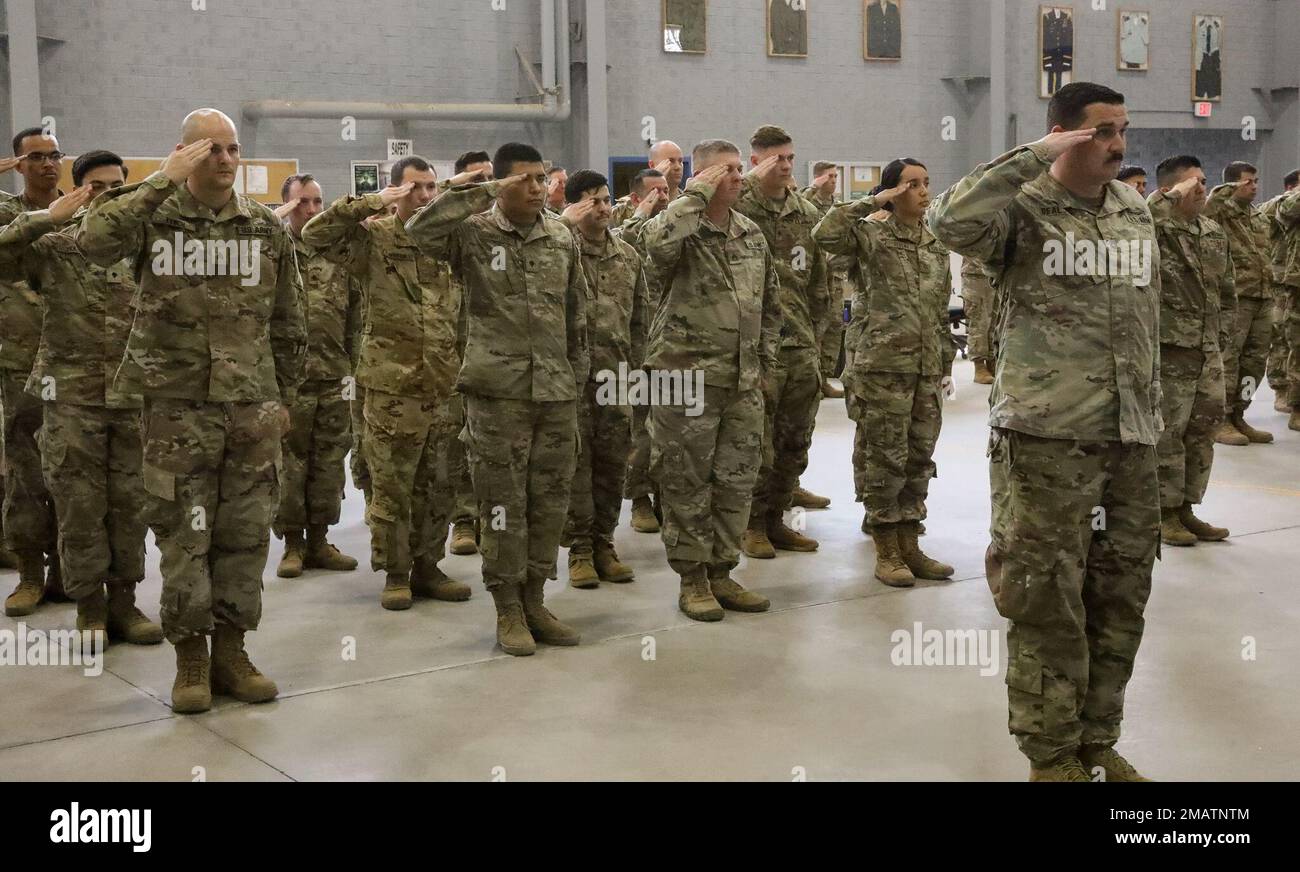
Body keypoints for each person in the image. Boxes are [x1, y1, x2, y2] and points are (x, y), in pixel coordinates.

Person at [929, 82, 1158, 782]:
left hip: (1131, 435)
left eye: (1122, 129)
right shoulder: (1019, 211)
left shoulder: (1130, 207)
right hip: (1046, 437)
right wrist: (1030, 157)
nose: (1117, 144)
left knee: (1120, 595)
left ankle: (1097, 737)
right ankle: (1051, 754)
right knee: (1046, 597)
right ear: (1062, 135)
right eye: (1100, 132)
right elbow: (948, 221)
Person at [77, 109, 306, 714]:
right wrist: (157, 180)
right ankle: (192, 660)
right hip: (175, 409)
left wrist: (283, 396)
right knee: (185, 534)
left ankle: (232, 650)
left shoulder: (264, 228)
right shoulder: (153, 219)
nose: (226, 161)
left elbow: (289, 319)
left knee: (246, 533)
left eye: (233, 149)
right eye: (211, 150)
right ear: (183, 154)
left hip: (251, 406)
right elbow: (91, 242)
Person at [404, 142, 588, 657]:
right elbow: (419, 230)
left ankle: (535, 599)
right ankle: (507, 605)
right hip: (497, 394)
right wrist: (482, 189)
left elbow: (577, 316)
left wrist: (579, 380)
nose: (536, 188)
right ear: (503, 185)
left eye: (541, 178)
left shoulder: (561, 236)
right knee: (503, 504)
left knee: (549, 502)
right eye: (523, 180)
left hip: (556, 392)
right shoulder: (474, 235)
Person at [0, 151, 161, 645]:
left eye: (117, 187)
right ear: (77, 192)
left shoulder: (146, 247)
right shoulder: (54, 246)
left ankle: (126, 604)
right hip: (71, 397)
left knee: (131, 505)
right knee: (80, 507)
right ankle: (89, 608)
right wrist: (46, 217)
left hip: (134, 397)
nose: (107, 196)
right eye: (95, 187)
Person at [302, 156, 473, 609]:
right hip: (392, 387)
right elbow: (315, 234)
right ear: (395, 191)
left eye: (430, 187)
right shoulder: (374, 240)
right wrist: (370, 203)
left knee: (439, 484)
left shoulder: (451, 244)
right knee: (393, 485)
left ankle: (428, 566)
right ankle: (396, 572)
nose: (422, 196)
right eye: (413, 187)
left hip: (444, 384)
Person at [641, 139, 779, 621]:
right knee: (684, 480)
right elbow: (651, 246)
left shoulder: (750, 234)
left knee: (736, 480)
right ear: (703, 178)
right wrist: (693, 197)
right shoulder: (680, 228)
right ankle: (692, 577)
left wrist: (764, 366)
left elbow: (770, 306)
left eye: (741, 169)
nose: (740, 178)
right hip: (685, 379)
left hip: (741, 381)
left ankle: (722, 570)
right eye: (728, 171)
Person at [814, 158, 955, 587]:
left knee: (918, 456)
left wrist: (946, 364)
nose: (923, 191)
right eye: (912, 184)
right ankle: (886, 545)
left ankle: (911, 540)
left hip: (926, 368)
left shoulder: (934, 243)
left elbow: (939, 309)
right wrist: (871, 202)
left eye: (927, 183)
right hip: (881, 367)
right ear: (893, 192)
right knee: (884, 458)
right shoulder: (871, 234)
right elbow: (824, 234)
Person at [736, 125, 829, 559]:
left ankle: (777, 519)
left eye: (791, 158)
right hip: (754, 351)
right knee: (758, 444)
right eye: (777, 159)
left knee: (795, 441)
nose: (787, 166)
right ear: (755, 163)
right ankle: (751, 525)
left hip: (800, 349)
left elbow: (819, 288)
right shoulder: (737, 209)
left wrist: (821, 354)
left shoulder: (807, 215)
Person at [557, 170, 647, 587]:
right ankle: (579, 548)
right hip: (569, 381)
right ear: (572, 205)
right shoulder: (556, 249)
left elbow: (640, 321)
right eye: (592, 200)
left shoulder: (627, 256)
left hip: (615, 379)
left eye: (606, 199)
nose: (602, 208)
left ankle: (604, 543)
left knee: (612, 464)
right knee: (576, 466)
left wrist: (637, 374)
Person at [271, 173, 361, 577]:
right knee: (289, 464)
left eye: (317, 202)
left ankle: (320, 539)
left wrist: (355, 370)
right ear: (286, 205)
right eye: (302, 202)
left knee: (329, 461)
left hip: (334, 374)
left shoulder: (337, 251)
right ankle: (292, 543)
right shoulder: (271, 249)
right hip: (287, 381)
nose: (310, 210)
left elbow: (356, 316)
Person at [1148, 155, 1235, 546]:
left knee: (1203, 431)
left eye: (1203, 180)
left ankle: (1186, 507)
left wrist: (1223, 339)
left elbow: (1227, 291)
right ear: (1169, 190)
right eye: (1191, 183)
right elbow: (1145, 215)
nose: (1201, 188)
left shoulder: (1213, 231)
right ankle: (1163, 514)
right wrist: (1168, 198)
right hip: (1168, 349)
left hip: (1207, 350)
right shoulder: (1153, 228)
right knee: (1168, 432)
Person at [0, 126, 66, 615]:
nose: (47, 164)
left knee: (76, 474)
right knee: (27, 473)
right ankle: (29, 573)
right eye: (36, 157)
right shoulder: (7, 214)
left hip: (77, 364)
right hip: (20, 363)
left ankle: (70, 571)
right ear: (18, 165)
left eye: (54, 155)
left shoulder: (85, 213)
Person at [1204, 161, 1274, 445]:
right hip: (1235, 299)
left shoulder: (1258, 217)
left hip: (1262, 297)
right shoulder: (1221, 212)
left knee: (1255, 364)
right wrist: (1229, 190)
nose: (1255, 187)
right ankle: (1221, 419)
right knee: (1228, 361)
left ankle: (1240, 414)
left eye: (1256, 181)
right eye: (1248, 182)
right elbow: (1209, 206)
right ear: (1233, 184)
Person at [1261, 169, 1299, 411]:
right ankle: (1281, 389)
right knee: (1282, 337)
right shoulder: (1279, 204)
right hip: (1282, 282)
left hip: (1291, 281)